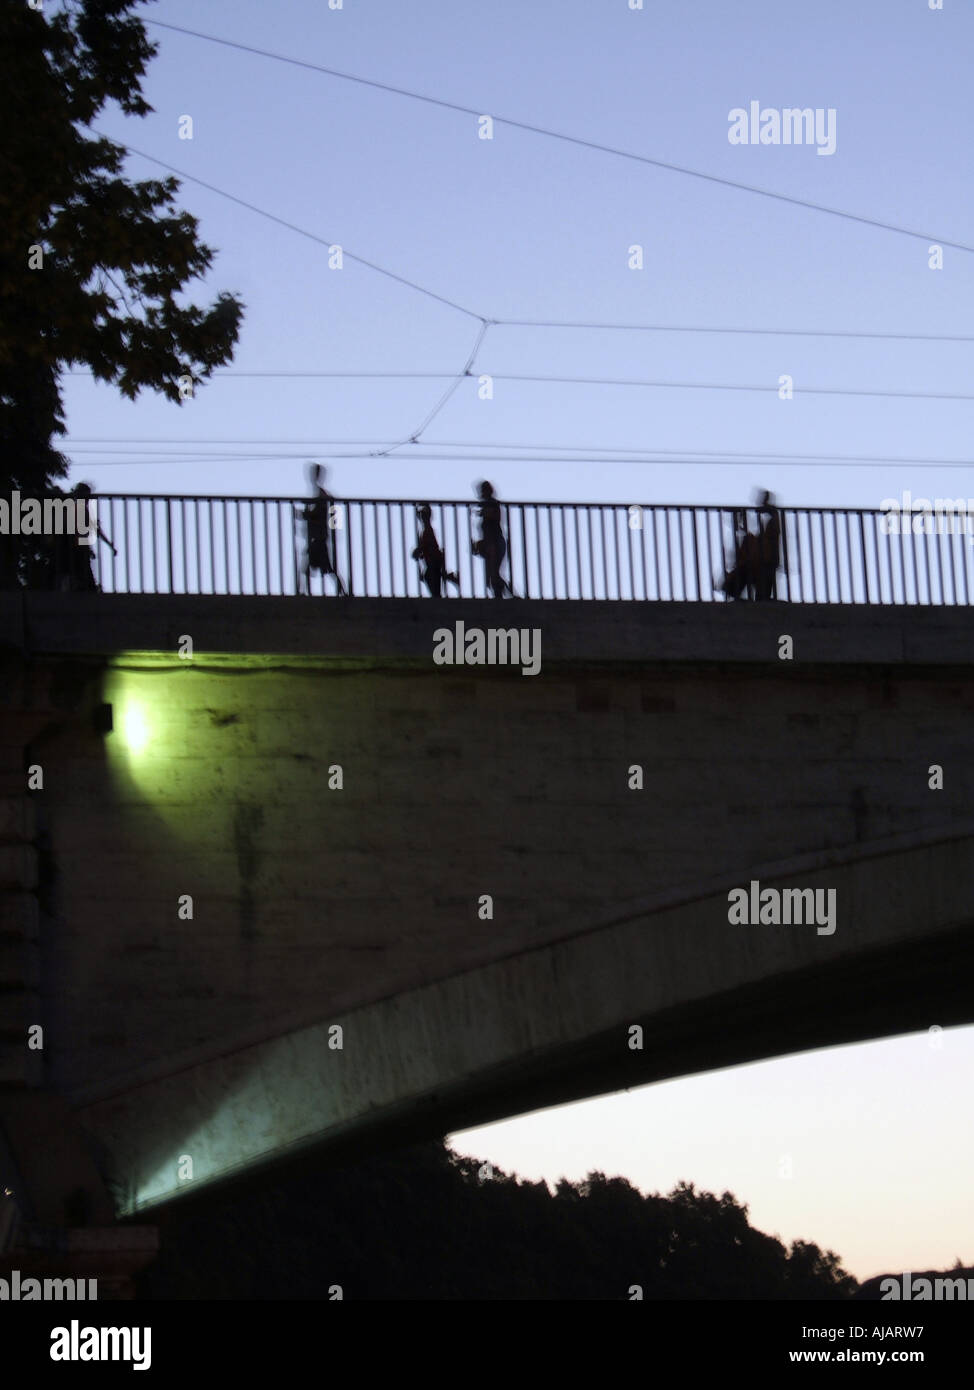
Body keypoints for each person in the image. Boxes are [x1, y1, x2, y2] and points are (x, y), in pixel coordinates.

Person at [301, 463, 346, 595]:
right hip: (319, 536)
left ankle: (303, 593)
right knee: (321, 568)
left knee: (315, 568)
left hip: (318, 537)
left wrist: (305, 514)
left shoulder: (321, 494)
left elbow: (317, 513)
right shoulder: (321, 494)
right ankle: (342, 592)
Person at [473, 480, 512, 598]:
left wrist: (482, 512)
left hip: (495, 543)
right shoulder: (490, 505)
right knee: (492, 575)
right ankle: (504, 596)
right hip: (493, 543)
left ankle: (506, 596)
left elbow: (492, 516)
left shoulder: (492, 504)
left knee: (493, 575)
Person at [412, 505, 458, 597]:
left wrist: (418, 551)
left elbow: (428, 546)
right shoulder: (426, 530)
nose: (422, 519)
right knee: (430, 577)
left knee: (430, 578)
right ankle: (449, 578)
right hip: (432, 560)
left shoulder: (427, 531)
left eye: (423, 516)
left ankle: (448, 580)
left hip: (433, 561)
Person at [718, 509, 759, 600]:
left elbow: (748, 559)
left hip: (749, 569)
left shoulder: (749, 538)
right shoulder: (745, 537)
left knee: (737, 576)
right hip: (746, 568)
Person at [756, 489, 781, 600]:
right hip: (766, 556)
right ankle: (764, 599)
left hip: (769, 556)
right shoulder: (772, 517)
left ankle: (763, 599)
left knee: (765, 580)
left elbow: (770, 510)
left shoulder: (773, 517)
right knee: (764, 581)